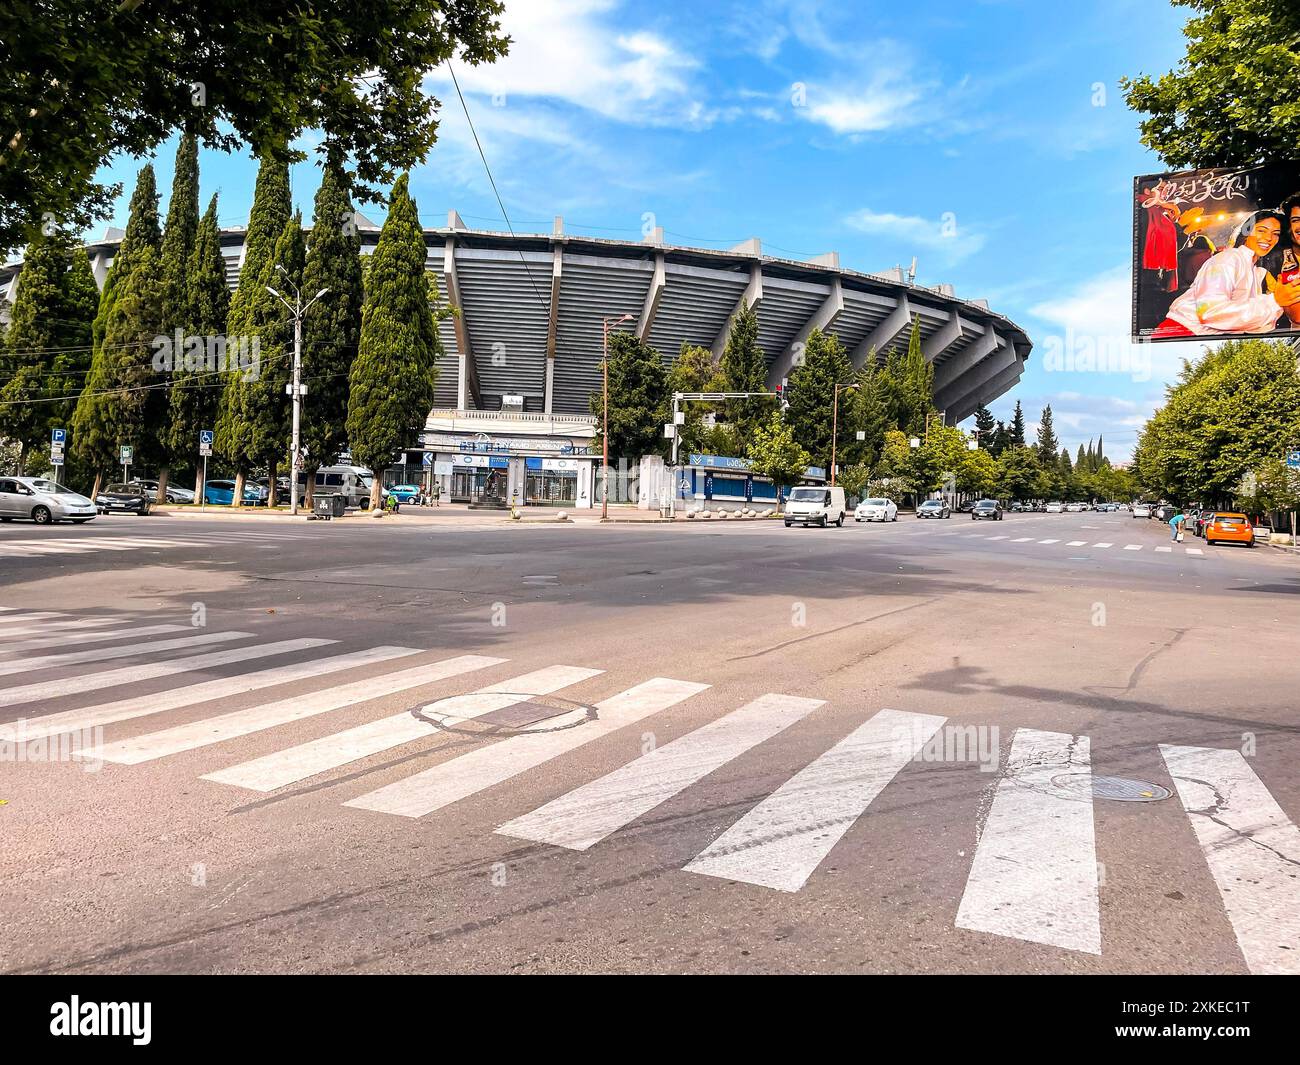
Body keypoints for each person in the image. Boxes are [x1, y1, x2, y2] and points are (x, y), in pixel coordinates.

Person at [1150, 211, 1298, 337]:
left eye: (1275, 233)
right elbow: (1210, 313)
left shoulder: (1254, 270)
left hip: (1204, 342)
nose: (1269, 238)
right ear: (1247, 231)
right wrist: (1275, 301)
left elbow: (1246, 322)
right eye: (1261, 230)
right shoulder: (1228, 259)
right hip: (1180, 333)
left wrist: (1280, 303)